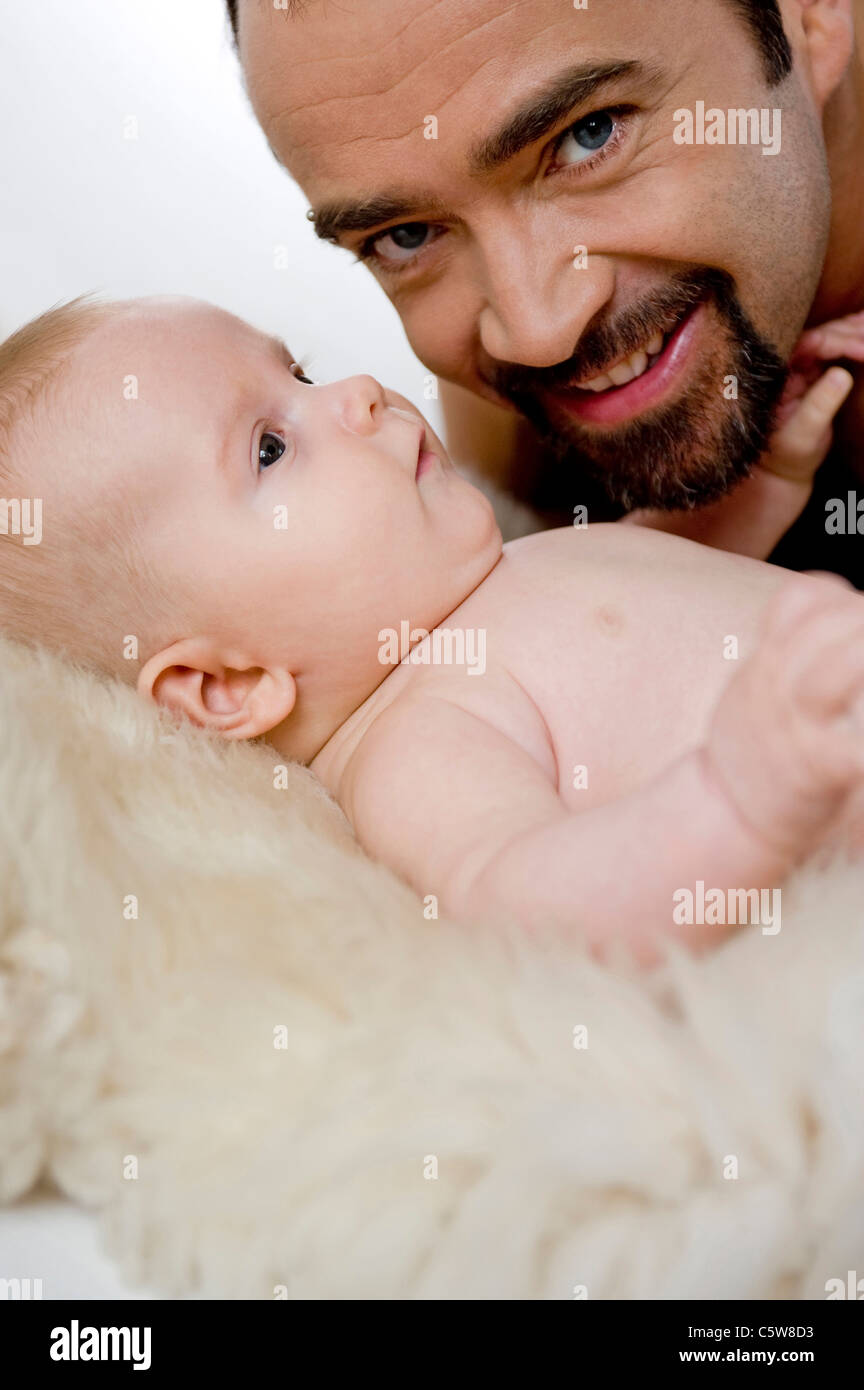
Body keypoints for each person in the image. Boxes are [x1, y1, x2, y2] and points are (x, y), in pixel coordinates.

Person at [2, 294, 862, 962]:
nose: (359, 395)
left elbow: (651, 589)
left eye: (301, 374)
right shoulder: (416, 738)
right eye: (270, 446)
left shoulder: (496, 583)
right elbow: (531, 910)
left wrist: (767, 468)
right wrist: (741, 796)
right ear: (226, 687)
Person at [225, 0, 864, 581]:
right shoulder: (511, 438)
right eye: (409, 235)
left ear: (809, 18)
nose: (537, 334)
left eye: (590, 134)